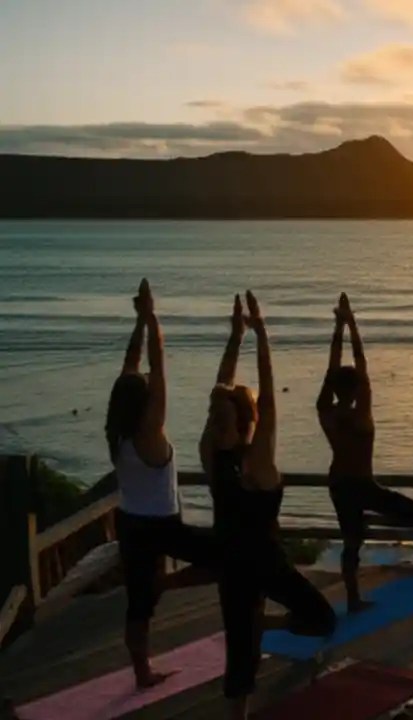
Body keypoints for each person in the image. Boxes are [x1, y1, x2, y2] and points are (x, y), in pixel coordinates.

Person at [201, 292, 336, 719]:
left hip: (263, 563)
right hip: (239, 565)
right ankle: (239, 709)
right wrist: (239, 336)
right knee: (240, 656)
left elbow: (269, 406)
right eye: (213, 418)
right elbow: (218, 392)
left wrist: (259, 337)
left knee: (321, 619)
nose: (213, 422)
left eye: (222, 419)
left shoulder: (253, 459)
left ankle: (265, 627)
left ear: (243, 424)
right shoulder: (216, 455)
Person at [107, 278, 218, 689]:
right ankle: (166, 582)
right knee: (229, 555)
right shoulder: (149, 432)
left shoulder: (117, 431)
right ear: (145, 401)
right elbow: (158, 364)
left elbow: (132, 364)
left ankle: (142, 674)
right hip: (161, 525)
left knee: (137, 607)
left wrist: (139, 322)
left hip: (130, 524)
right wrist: (153, 320)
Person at [318, 293, 413, 611]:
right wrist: (352, 324)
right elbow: (360, 365)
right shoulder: (361, 414)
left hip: (339, 484)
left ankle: (353, 599)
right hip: (361, 486)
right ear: (356, 390)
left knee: (352, 543)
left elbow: (331, 367)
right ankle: (354, 596)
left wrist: (339, 326)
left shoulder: (327, 412)